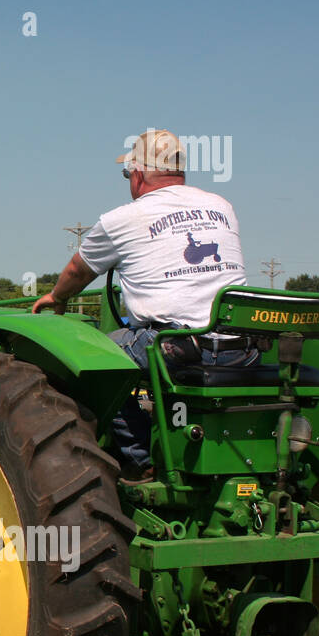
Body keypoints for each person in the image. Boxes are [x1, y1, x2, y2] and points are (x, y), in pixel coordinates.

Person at [32, 128, 260, 480]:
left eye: (127, 174)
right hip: (243, 347)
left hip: (179, 346)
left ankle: (140, 461)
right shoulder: (222, 206)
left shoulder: (121, 219)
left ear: (137, 174)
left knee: (94, 361)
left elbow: (78, 271)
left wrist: (55, 297)